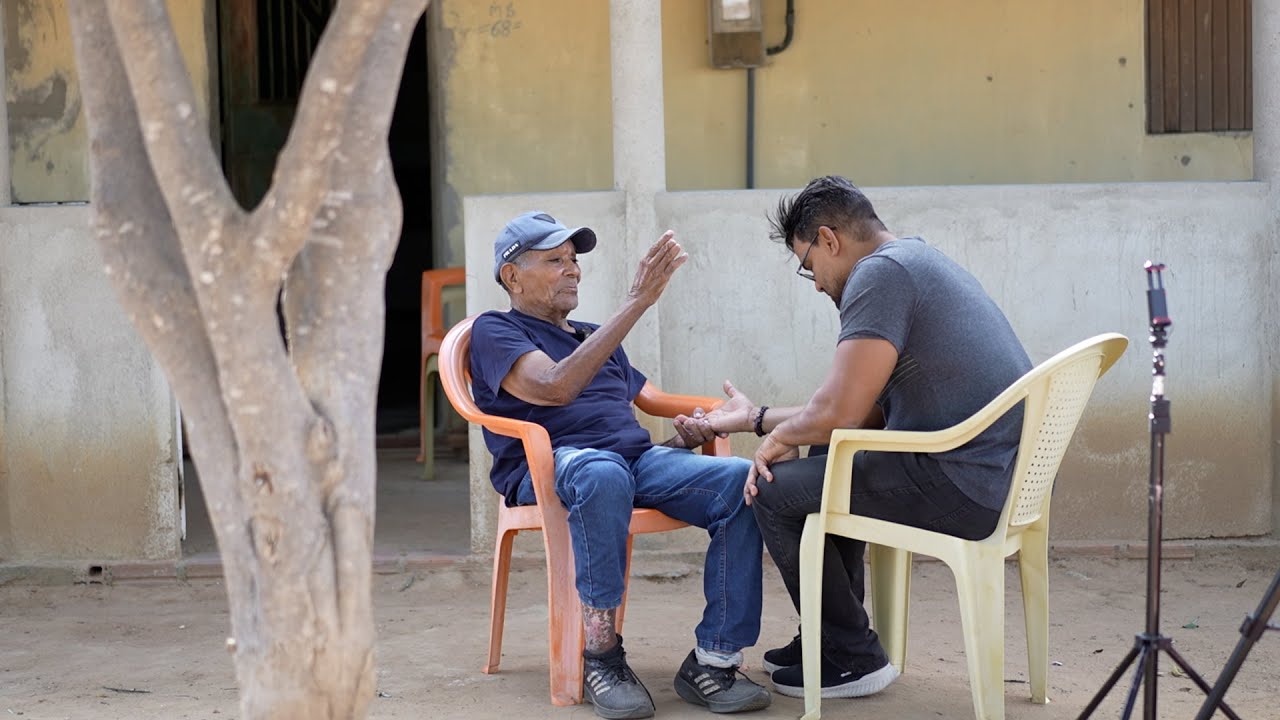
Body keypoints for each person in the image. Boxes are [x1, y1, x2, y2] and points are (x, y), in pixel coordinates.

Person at [696, 176, 1032, 701]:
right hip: (985, 477)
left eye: (808, 266)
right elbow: (855, 415)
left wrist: (772, 439)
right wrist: (755, 418)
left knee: (770, 489)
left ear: (829, 240)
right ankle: (830, 639)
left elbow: (842, 411)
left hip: (959, 485)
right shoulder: (913, 259)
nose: (815, 283)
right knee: (825, 449)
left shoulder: (879, 276)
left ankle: (853, 658)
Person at [470, 211, 772, 719]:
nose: (572, 270)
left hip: (633, 461)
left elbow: (646, 409)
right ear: (512, 276)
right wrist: (638, 303)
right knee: (601, 472)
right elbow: (555, 387)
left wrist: (692, 431)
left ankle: (713, 661)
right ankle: (602, 657)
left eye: (573, 259)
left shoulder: (593, 336)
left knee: (742, 483)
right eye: (554, 260)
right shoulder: (494, 331)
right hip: (552, 470)